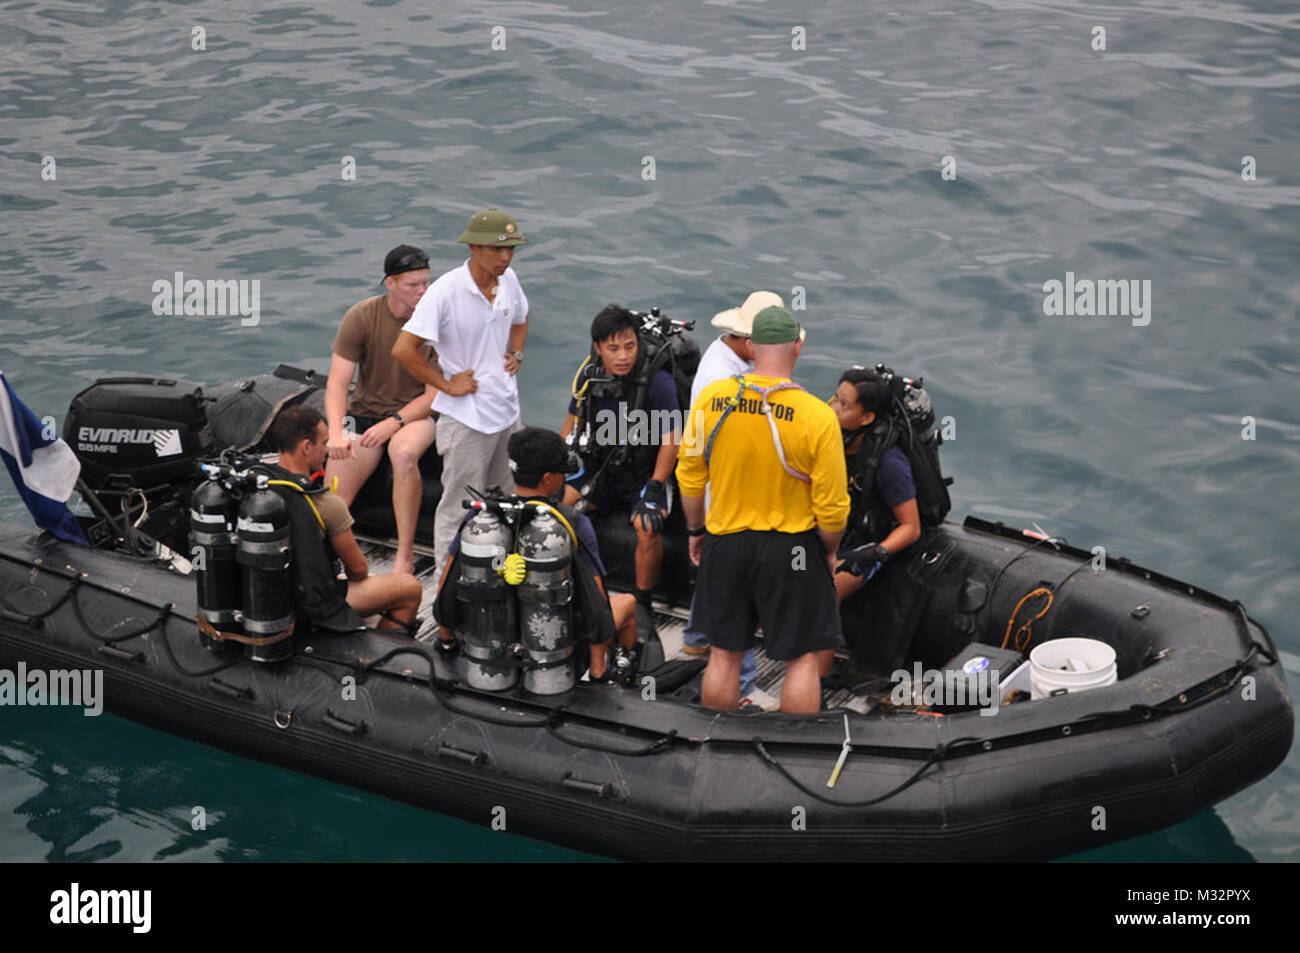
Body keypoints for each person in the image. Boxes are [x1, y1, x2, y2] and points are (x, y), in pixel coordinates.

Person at [676, 306, 849, 714]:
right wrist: (827, 548)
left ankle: (716, 740)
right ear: (799, 347)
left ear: (752, 346)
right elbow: (833, 507)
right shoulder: (817, 416)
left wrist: (696, 531)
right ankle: (795, 750)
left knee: (723, 653)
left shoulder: (713, 399)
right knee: (803, 656)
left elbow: (690, 476)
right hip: (791, 548)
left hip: (727, 540)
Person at [433, 427, 639, 680]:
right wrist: (598, 671)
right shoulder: (573, 523)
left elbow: (448, 581)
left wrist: (447, 642)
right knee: (627, 603)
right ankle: (623, 673)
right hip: (556, 645)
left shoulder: (481, 516)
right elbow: (596, 603)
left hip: (491, 636)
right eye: (562, 472)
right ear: (548, 478)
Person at [391, 209, 529, 581]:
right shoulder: (446, 291)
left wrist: (516, 353)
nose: (504, 257)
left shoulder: (509, 280)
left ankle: (504, 577)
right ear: (472, 247)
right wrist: (447, 385)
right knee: (458, 508)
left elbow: (521, 318)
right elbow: (404, 349)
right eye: (496, 250)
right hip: (466, 420)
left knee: (509, 502)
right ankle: (446, 587)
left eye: (510, 250)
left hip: (507, 414)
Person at [678, 291, 780, 705]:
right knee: (737, 591)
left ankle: (697, 637)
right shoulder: (724, 381)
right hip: (725, 494)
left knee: (715, 569)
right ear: (748, 339)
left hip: (714, 486)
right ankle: (742, 688)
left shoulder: (729, 359)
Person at [325, 244, 440, 576]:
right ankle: (333, 559)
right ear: (389, 283)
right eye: (412, 285)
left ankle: (404, 555)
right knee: (334, 501)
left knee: (403, 453)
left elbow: (434, 395)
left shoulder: (434, 323)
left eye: (425, 283)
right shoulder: (362, 316)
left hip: (415, 413)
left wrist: (394, 422)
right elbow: (337, 382)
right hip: (365, 413)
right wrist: (335, 431)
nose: (421, 292)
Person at [560, 305, 679, 619]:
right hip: (602, 468)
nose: (623, 355)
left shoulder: (658, 381)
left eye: (630, 346)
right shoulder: (589, 374)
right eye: (614, 349)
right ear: (599, 348)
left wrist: (655, 486)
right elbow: (572, 422)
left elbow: (672, 438)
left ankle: (642, 603)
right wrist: (561, 464)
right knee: (556, 510)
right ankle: (565, 583)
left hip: (646, 473)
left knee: (648, 526)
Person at [267, 404, 423, 633]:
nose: (328, 449)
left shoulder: (258, 484)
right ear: (307, 447)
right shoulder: (326, 502)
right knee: (410, 589)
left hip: (270, 596)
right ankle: (384, 649)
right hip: (311, 602)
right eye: (324, 442)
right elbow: (358, 570)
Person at [822, 367, 922, 674]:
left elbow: (911, 527)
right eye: (835, 399)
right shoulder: (831, 440)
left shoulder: (888, 463)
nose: (832, 409)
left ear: (866, 418)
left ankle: (815, 679)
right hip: (833, 530)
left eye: (844, 406)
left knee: (827, 591)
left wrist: (875, 553)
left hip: (867, 545)